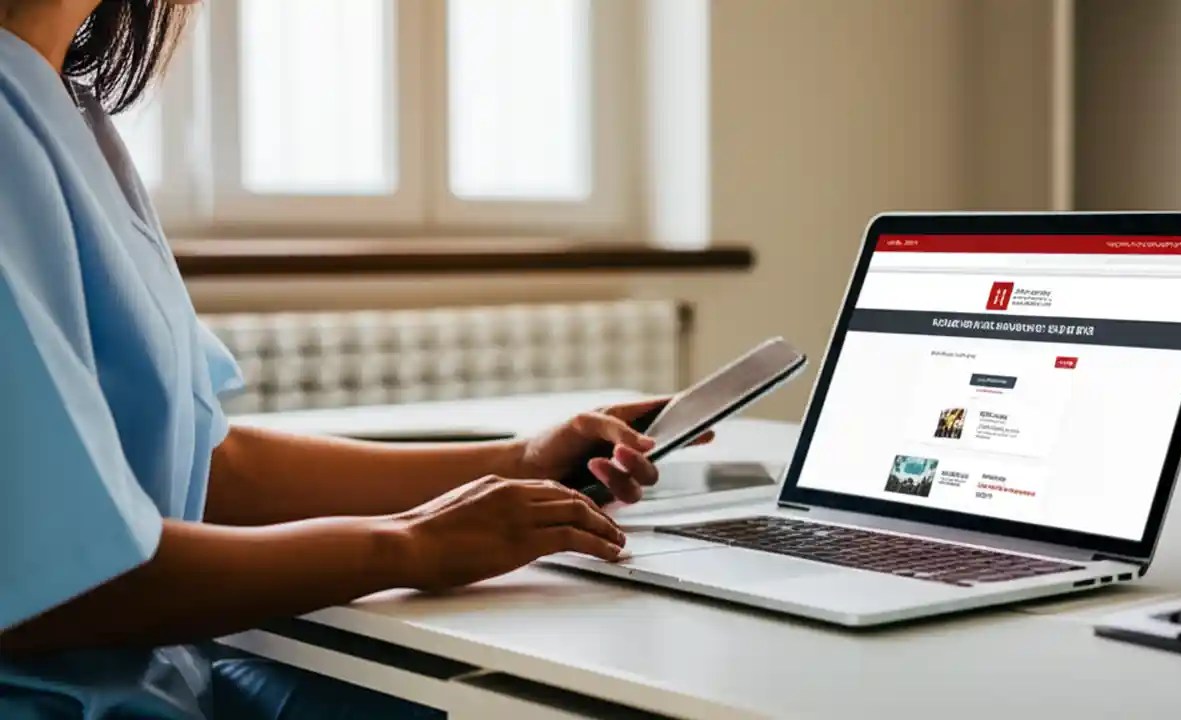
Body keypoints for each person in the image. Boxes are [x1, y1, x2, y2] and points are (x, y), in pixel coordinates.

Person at [0, 1, 705, 717]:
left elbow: (204, 466)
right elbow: (64, 580)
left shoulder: (65, 110)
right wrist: (404, 547)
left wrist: (520, 460)